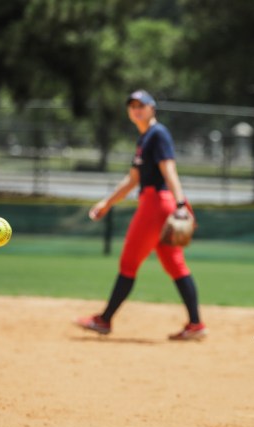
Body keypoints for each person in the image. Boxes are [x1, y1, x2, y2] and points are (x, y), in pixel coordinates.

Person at [75, 89, 206, 340]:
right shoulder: (144, 139)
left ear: (151, 109)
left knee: (129, 262)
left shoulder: (158, 134)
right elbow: (133, 179)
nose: (136, 109)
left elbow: (169, 170)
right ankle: (196, 324)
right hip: (159, 202)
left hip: (157, 204)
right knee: (174, 264)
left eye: (141, 105)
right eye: (132, 105)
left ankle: (104, 320)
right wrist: (107, 203)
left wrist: (180, 203)